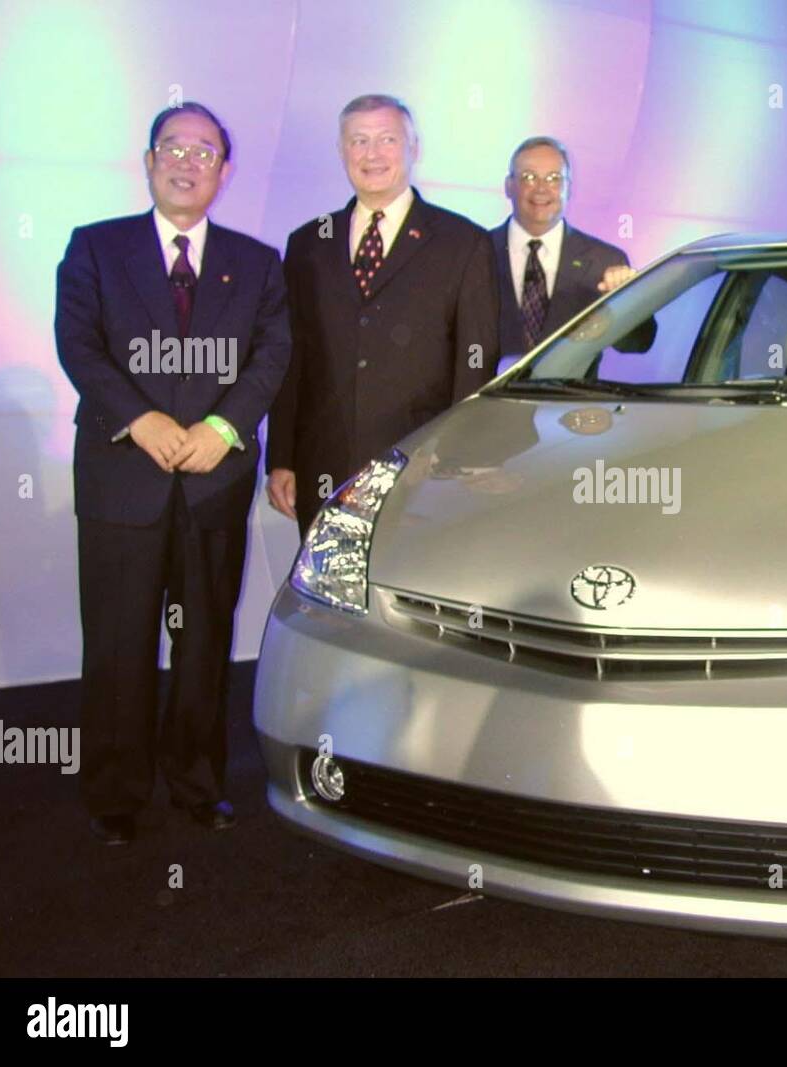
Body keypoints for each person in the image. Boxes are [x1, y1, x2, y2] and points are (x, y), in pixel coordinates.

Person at [55, 103, 291, 844]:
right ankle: (116, 792)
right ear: (149, 158)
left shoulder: (256, 262)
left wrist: (223, 428)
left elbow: (271, 355)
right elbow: (79, 346)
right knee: (119, 643)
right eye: (174, 147)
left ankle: (197, 782)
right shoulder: (95, 248)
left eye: (206, 151)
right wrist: (141, 418)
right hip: (122, 479)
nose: (188, 161)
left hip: (213, 481)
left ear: (225, 171)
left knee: (202, 642)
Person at [267, 94, 500, 533]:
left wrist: (455, 458)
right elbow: (290, 359)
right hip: (323, 468)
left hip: (420, 470)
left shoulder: (463, 243)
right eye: (358, 141)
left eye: (387, 139)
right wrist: (281, 458)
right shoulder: (308, 243)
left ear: (414, 148)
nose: (372, 154)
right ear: (341, 152)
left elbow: (475, 363)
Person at [491, 136, 655, 357]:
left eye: (554, 178)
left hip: (570, 392)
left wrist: (628, 301)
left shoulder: (604, 261)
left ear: (569, 188)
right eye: (529, 177)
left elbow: (638, 344)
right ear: (509, 186)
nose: (541, 189)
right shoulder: (475, 253)